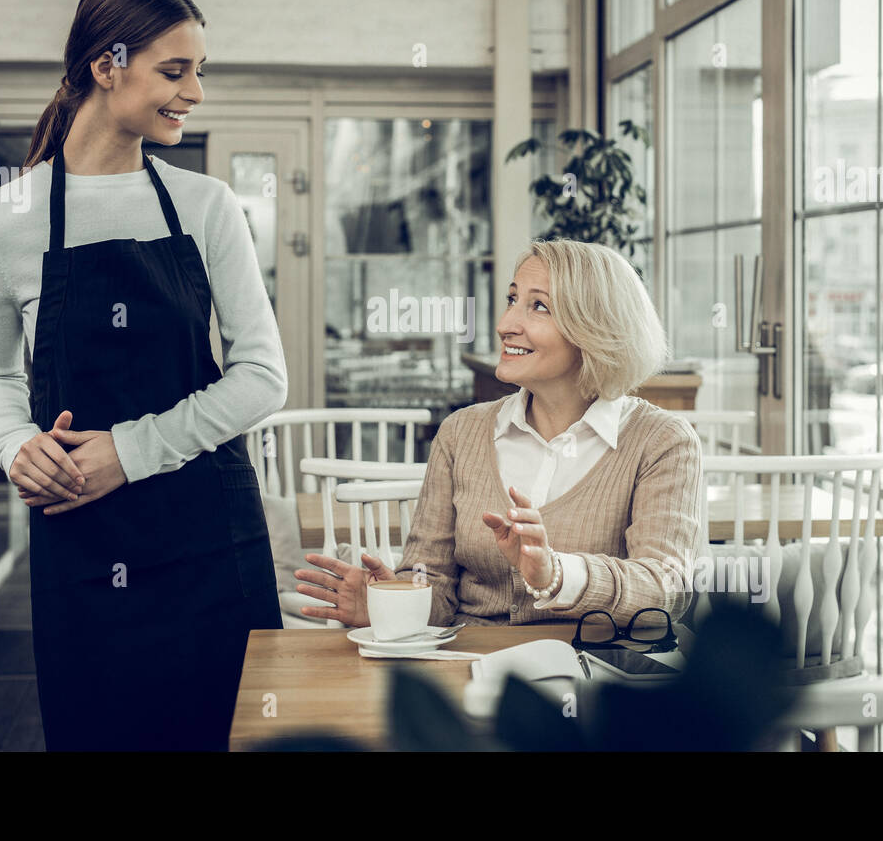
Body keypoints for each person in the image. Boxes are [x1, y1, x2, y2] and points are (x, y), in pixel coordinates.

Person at [0, 0, 286, 750]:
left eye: (198, 71)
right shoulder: (1, 222)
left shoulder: (207, 206)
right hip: (84, 540)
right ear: (108, 66)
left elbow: (262, 377)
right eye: (175, 72)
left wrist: (128, 452)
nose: (195, 92)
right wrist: (14, 446)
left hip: (210, 535)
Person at [295, 239, 703, 630]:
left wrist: (556, 574)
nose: (505, 324)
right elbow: (432, 582)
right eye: (512, 300)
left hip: (597, 675)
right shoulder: (461, 432)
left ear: (595, 328)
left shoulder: (663, 442)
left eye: (538, 306)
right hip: (469, 667)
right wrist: (392, 602)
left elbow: (663, 589)